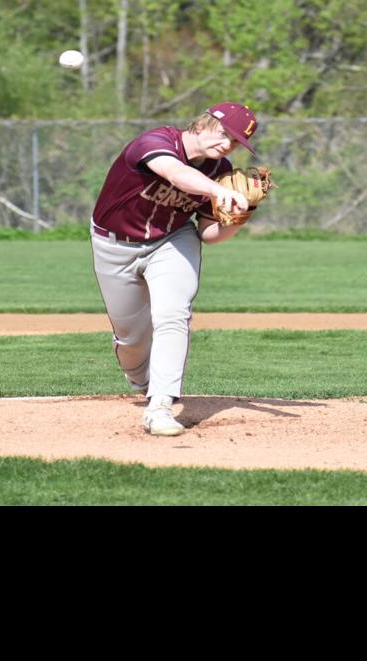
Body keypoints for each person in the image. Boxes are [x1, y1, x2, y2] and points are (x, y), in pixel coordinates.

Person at [90, 101, 262, 436]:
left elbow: (208, 235)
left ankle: (161, 407)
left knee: (173, 313)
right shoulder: (155, 143)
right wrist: (217, 190)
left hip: (172, 240)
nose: (227, 145)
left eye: (235, 142)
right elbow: (176, 174)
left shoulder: (221, 170)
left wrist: (242, 215)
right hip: (113, 243)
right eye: (225, 134)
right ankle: (141, 381)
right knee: (132, 339)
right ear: (203, 123)